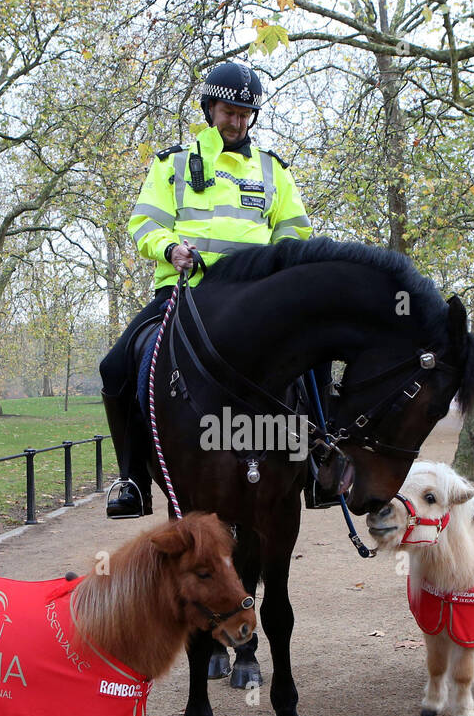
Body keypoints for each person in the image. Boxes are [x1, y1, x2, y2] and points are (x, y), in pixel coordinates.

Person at [99, 61, 314, 519]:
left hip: (253, 302)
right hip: (184, 295)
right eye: (229, 110)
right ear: (210, 108)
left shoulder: (274, 171)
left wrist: (279, 271)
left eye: (245, 113)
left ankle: (318, 464)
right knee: (116, 364)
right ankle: (133, 480)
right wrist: (170, 247)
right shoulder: (172, 164)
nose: (237, 121)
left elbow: (294, 234)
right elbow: (144, 225)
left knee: (312, 354)